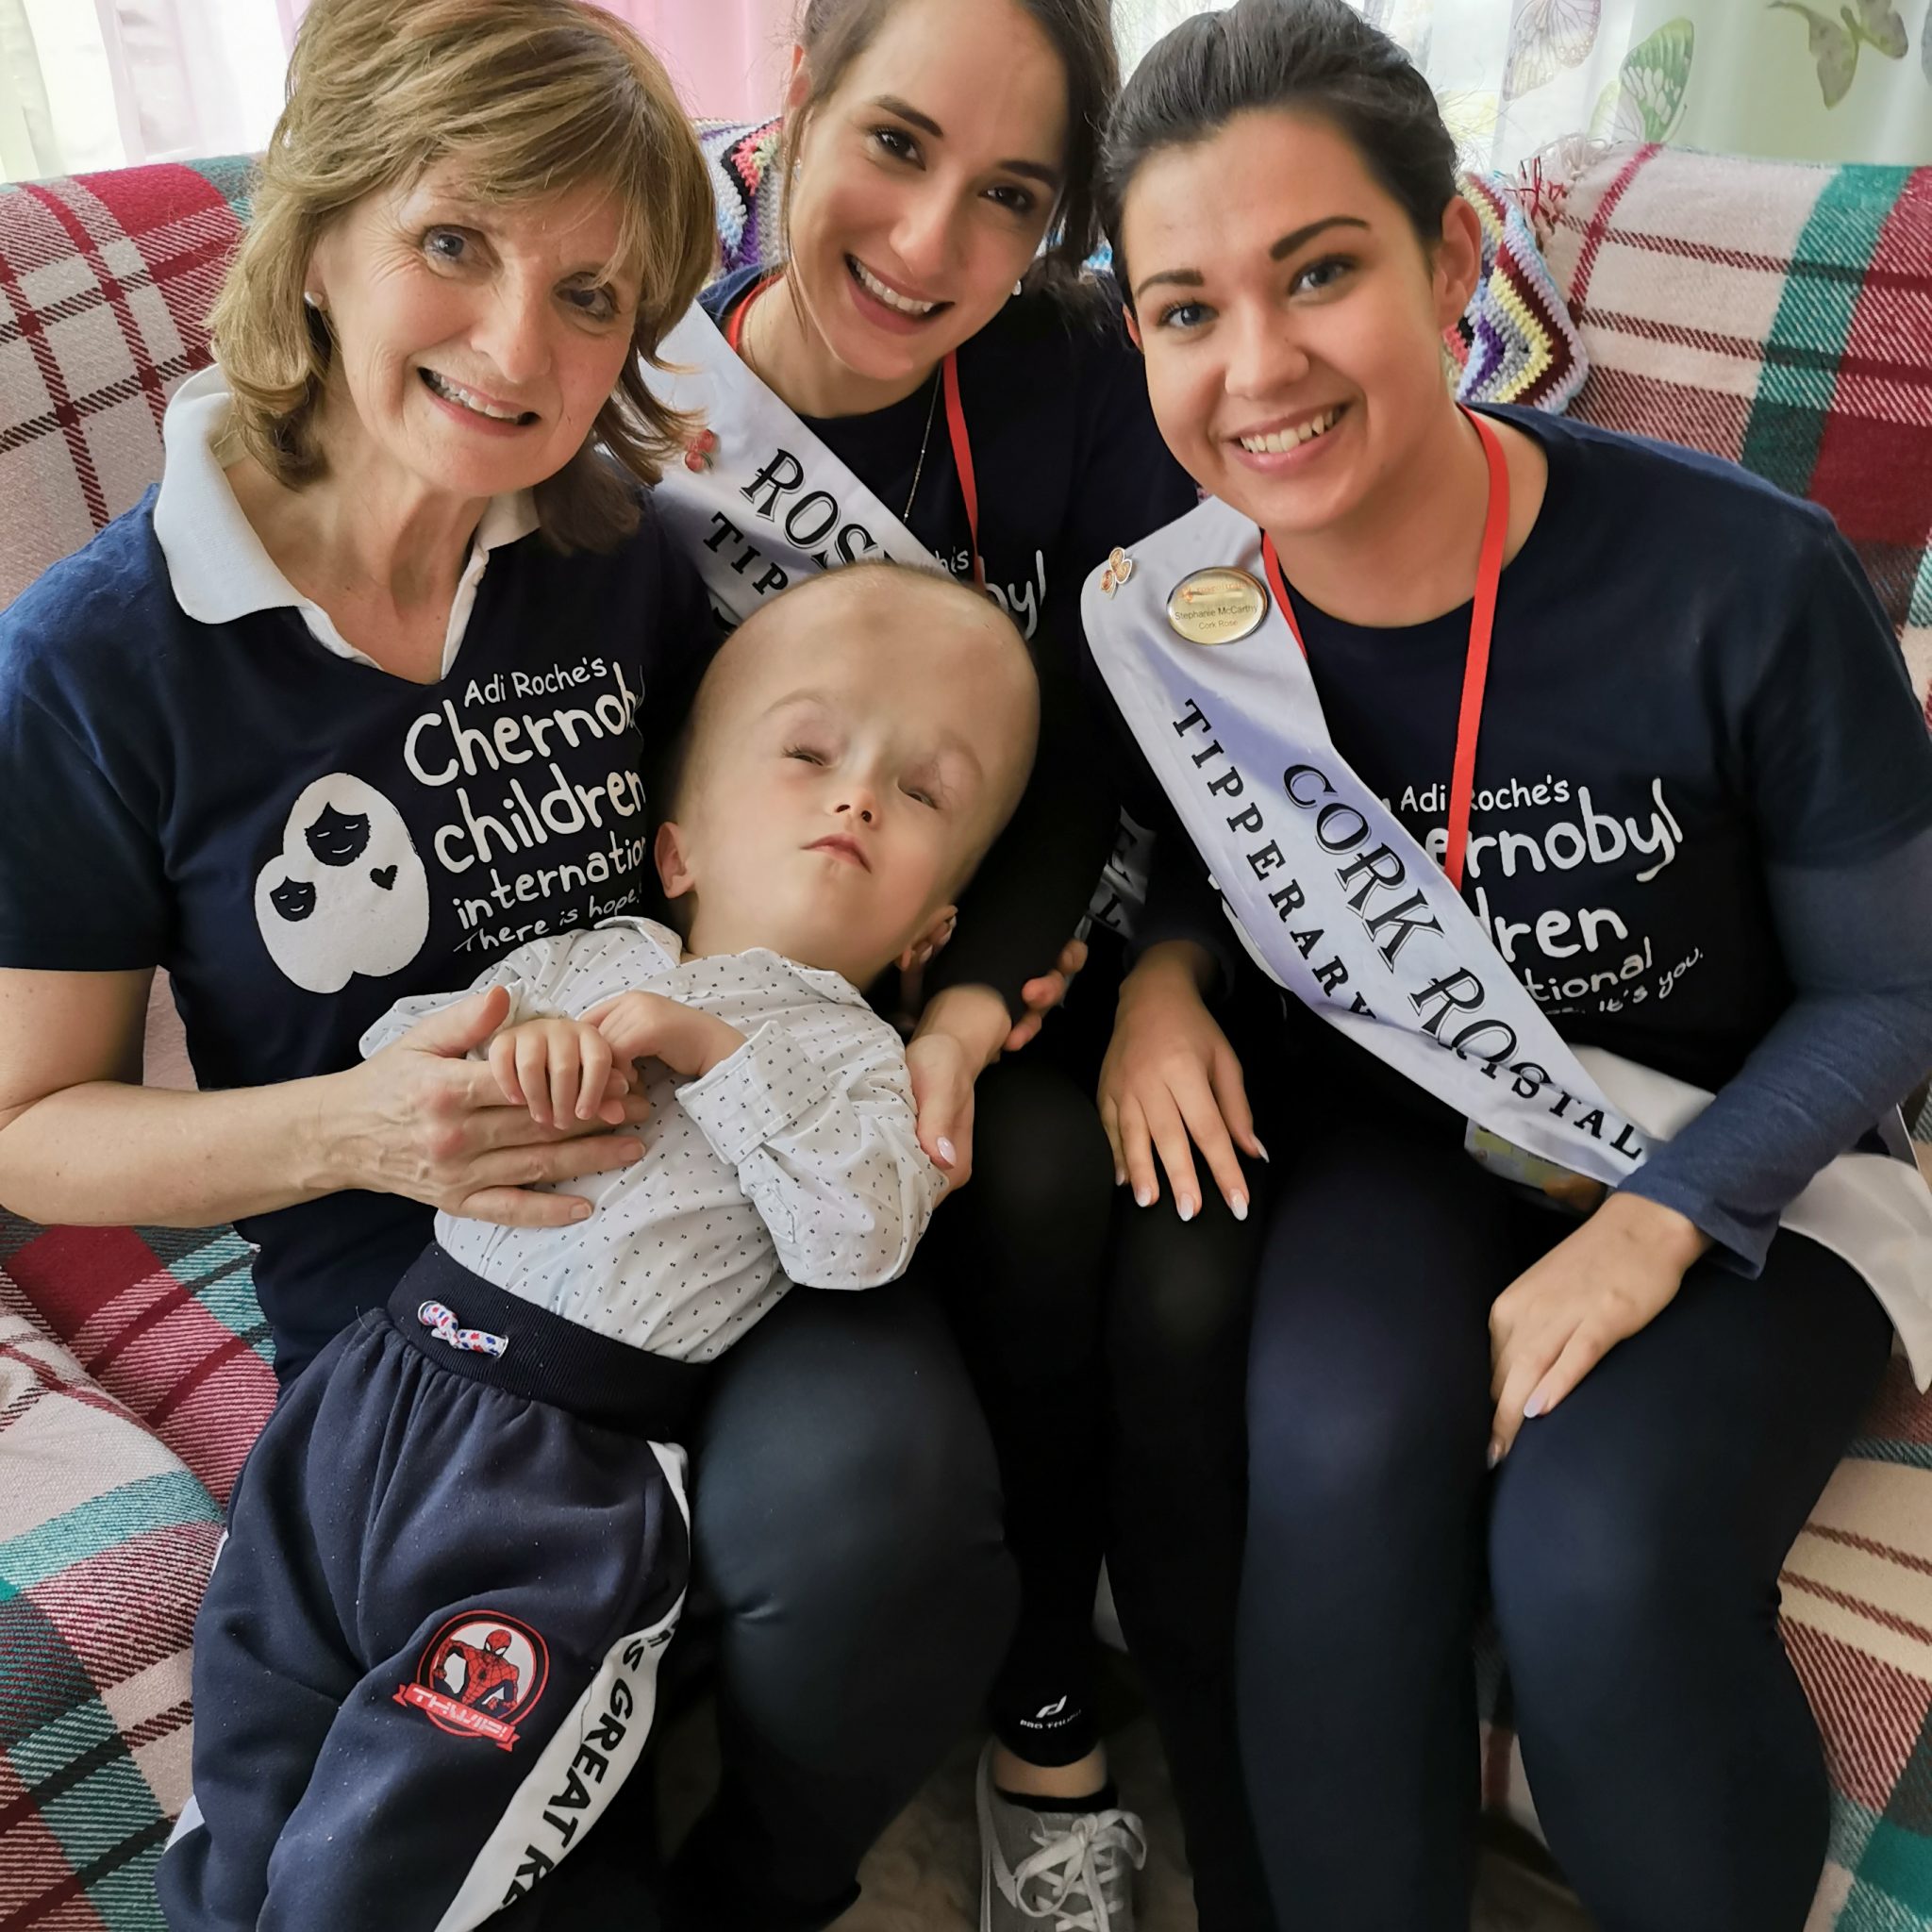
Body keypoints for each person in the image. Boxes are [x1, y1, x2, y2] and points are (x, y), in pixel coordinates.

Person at [0, 6, 1016, 1927]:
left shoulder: (616, 558)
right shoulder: (96, 663)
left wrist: (959, 1012)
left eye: (590, 295)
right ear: (320, 234)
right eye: (453, 243)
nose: (514, 345)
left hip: (732, 1238)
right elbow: (29, 1131)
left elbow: (920, 752)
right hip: (417, 1335)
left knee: (890, 1528)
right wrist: (362, 1129)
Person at [1083, 4, 1932, 1929]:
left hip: (1748, 1161)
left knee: (1595, 1554)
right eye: (1188, 310)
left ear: (1453, 257)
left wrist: (1660, 1220)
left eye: (1320, 273)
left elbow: (1894, 988)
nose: (1258, 366)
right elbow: (1212, 856)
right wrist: (1161, 983)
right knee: (1332, 1456)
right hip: (1405, 1145)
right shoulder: (1181, 611)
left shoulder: (1744, 576)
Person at [158, 563, 1041, 1932]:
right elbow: (398, 1057)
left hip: (566, 1479)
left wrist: (717, 1053)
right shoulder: (586, 956)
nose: (859, 797)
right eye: (810, 754)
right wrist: (508, 1053)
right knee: (252, 1733)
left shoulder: (870, 1066)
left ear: (933, 933)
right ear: (676, 850)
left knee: (421, 1831)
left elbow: (858, 1239)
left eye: (922, 792)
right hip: (369, 1390)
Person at [641, 4, 1254, 1926]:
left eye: (1009, 197)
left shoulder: (1073, 377)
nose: (930, 247)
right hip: (739, 994)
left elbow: (1128, 737)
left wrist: (994, 999)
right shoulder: (637, 399)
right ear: (796, 102)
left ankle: (1053, 1716)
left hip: (1013, 946)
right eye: (896, 146)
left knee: (1098, 1197)